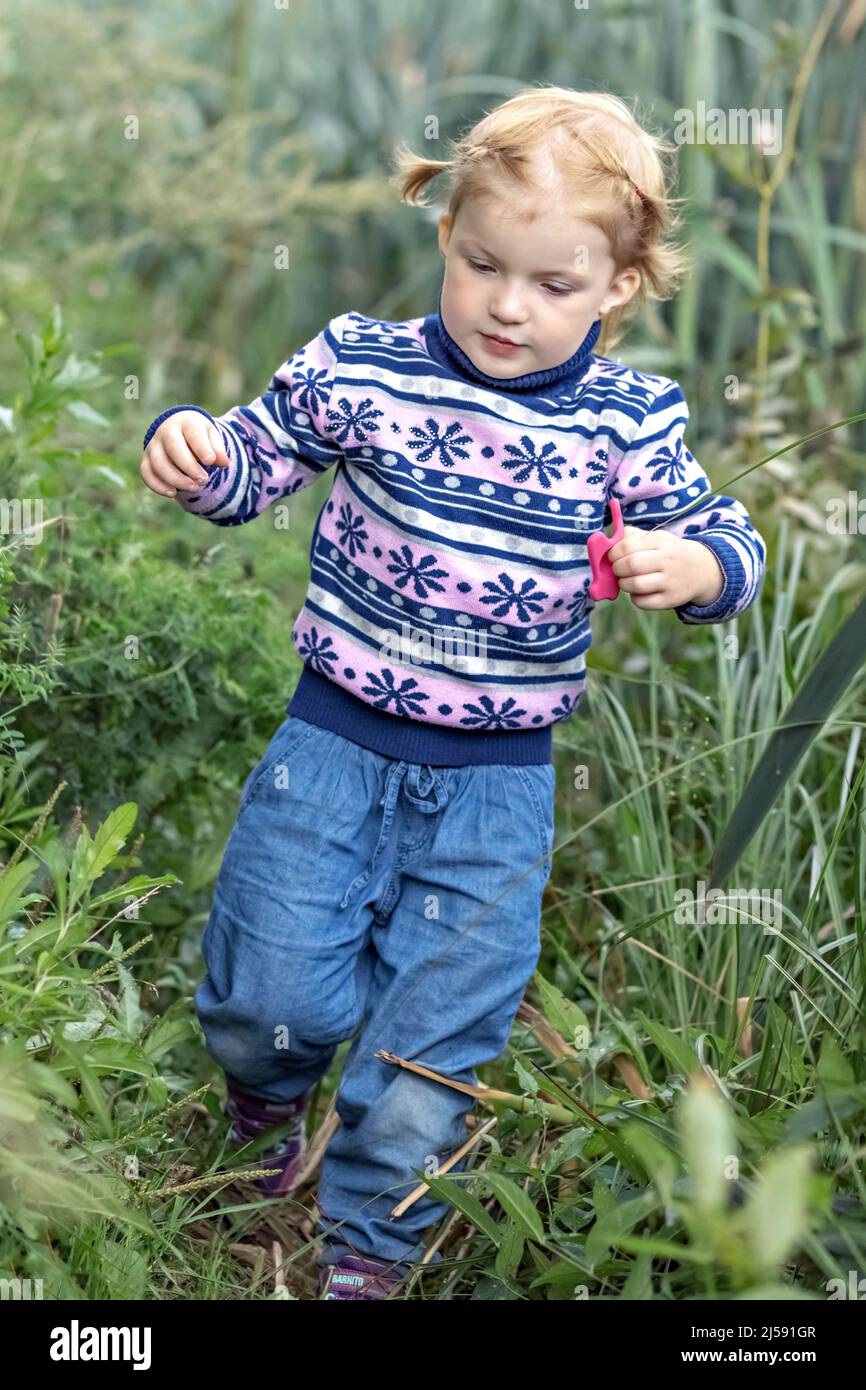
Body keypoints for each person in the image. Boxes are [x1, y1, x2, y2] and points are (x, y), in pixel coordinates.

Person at [139, 86, 766, 1301]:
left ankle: (370, 1245)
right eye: (482, 265)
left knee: (436, 1034)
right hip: (332, 737)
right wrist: (195, 447)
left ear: (618, 287)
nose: (507, 306)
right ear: (445, 234)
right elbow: (254, 457)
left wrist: (689, 567)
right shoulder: (361, 368)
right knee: (274, 982)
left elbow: (723, 540)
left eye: (552, 284)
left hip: (494, 785)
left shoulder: (627, 422)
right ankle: (265, 1090)